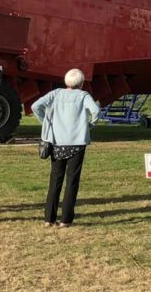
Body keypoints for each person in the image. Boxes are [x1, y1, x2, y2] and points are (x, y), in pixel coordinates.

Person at [32, 69, 101, 228]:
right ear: (81, 83)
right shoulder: (83, 96)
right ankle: (66, 219)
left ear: (66, 81)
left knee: (55, 179)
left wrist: (46, 122)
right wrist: (91, 124)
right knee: (72, 181)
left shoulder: (56, 93)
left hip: (56, 142)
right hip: (77, 142)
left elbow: (36, 106)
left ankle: (49, 218)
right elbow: (96, 111)